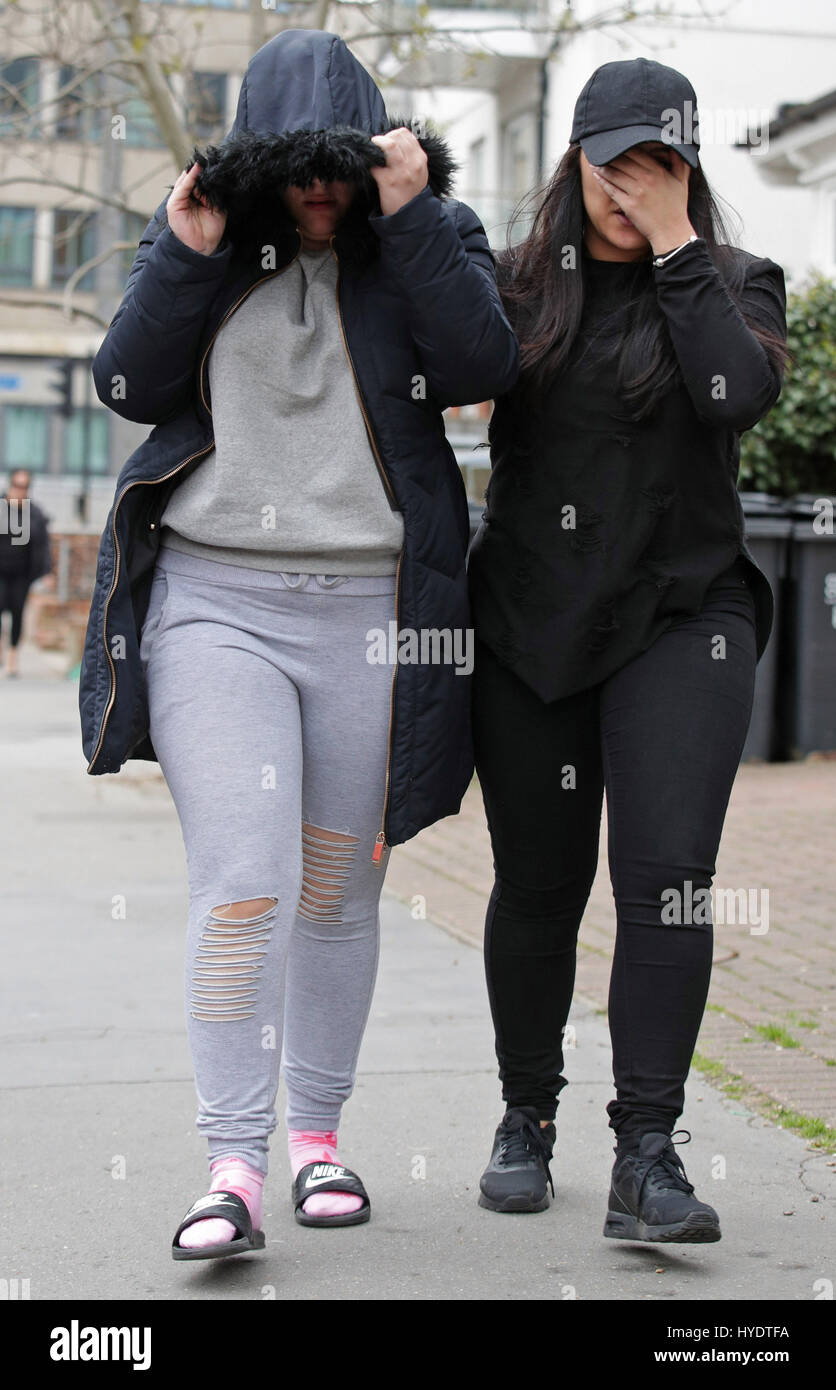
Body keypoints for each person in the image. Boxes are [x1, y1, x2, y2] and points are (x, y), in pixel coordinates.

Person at [79, 28, 517, 1260]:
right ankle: (232, 1165)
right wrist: (185, 251)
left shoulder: (427, 233)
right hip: (217, 604)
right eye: (299, 165)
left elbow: (485, 363)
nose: (320, 189)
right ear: (260, 164)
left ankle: (317, 1139)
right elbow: (124, 384)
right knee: (244, 882)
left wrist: (411, 213)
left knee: (339, 886)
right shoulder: (210, 245)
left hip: (372, 617)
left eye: (341, 163)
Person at [467, 58, 787, 1242]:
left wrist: (672, 242)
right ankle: (524, 1117)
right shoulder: (511, 289)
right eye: (612, 162)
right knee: (538, 885)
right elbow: (438, 371)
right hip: (531, 626)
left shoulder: (739, 283)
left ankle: (645, 1152)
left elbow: (729, 392)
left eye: (658, 164)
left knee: (666, 882)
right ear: (574, 159)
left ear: (687, 166)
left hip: (681, 618)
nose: (629, 185)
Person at [0, 469, 53, 677]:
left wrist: (47, 572)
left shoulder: (34, 513)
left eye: (24, 486)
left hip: (22, 573)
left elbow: (43, 545)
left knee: (17, 612)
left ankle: (12, 657)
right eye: (16, 485)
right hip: (0, 570)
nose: (19, 490)